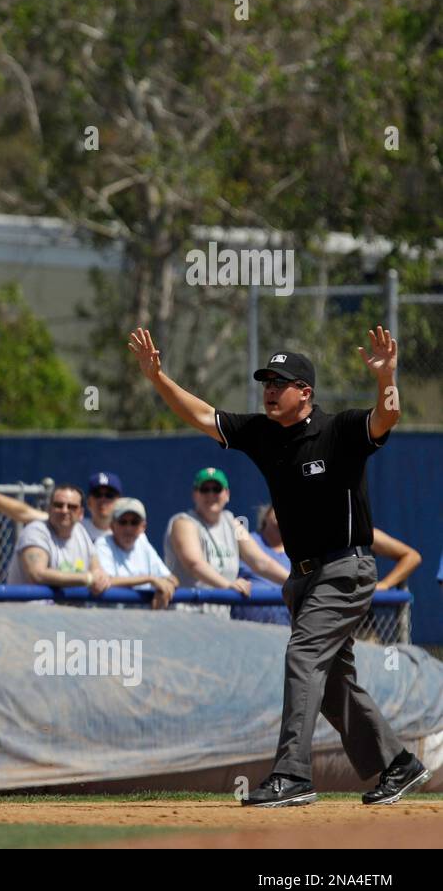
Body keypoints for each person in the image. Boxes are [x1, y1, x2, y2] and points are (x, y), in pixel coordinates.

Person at [130, 326, 430, 808]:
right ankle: (398, 763)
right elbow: (204, 415)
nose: (269, 390)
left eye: (280, 382)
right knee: (331, 684)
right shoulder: (264, 435)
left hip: (345, 568)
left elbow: (387, 414)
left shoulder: (340, 430)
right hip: (304, 577)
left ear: (305, 393)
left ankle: (292, 775)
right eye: (266, 382)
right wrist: (159, 377)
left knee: (302, 657)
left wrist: (387, 376)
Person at [162, 468, 288, 605]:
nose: (211, 494)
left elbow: (261, 562)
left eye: (216, 489)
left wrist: (295, 581)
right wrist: (228, 586)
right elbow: (194, 564)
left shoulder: (234, 524)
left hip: (220, 619)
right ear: (195, 495)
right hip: (185, 614)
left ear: (227, 494)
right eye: (204, 489)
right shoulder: (183, 522)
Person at [244, 504, 421, 594]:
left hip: (361, 623)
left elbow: (411, 556)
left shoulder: (363, 532)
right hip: (322, 620)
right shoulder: (310, 535)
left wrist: (385, 585)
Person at [5, 483, 110, 598]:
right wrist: (87, 578)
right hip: (27, 611)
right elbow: (38, 574)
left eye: (72, 507)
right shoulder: (35, 531)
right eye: (59, 505)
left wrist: (101, 577)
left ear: (80, 514)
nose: (64, 510)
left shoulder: (80, 532)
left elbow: (96, 570)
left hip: (69, 612)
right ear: (49, 509)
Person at [95, 498, 179, 609]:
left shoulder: (142, 542)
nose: (128, 528)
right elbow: (107, 581)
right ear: (112, 526)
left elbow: (171, 578)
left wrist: (166, 589)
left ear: (143, 527)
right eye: (123, 522)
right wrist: (150, 579)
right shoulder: (102, 544)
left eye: (134, 522)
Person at [82, 472, 122, 542]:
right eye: (97, 495)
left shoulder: (130, 532)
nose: (103, 500)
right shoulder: (76, 529)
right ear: (88, 502)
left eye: (109, 495)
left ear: (119, 502)